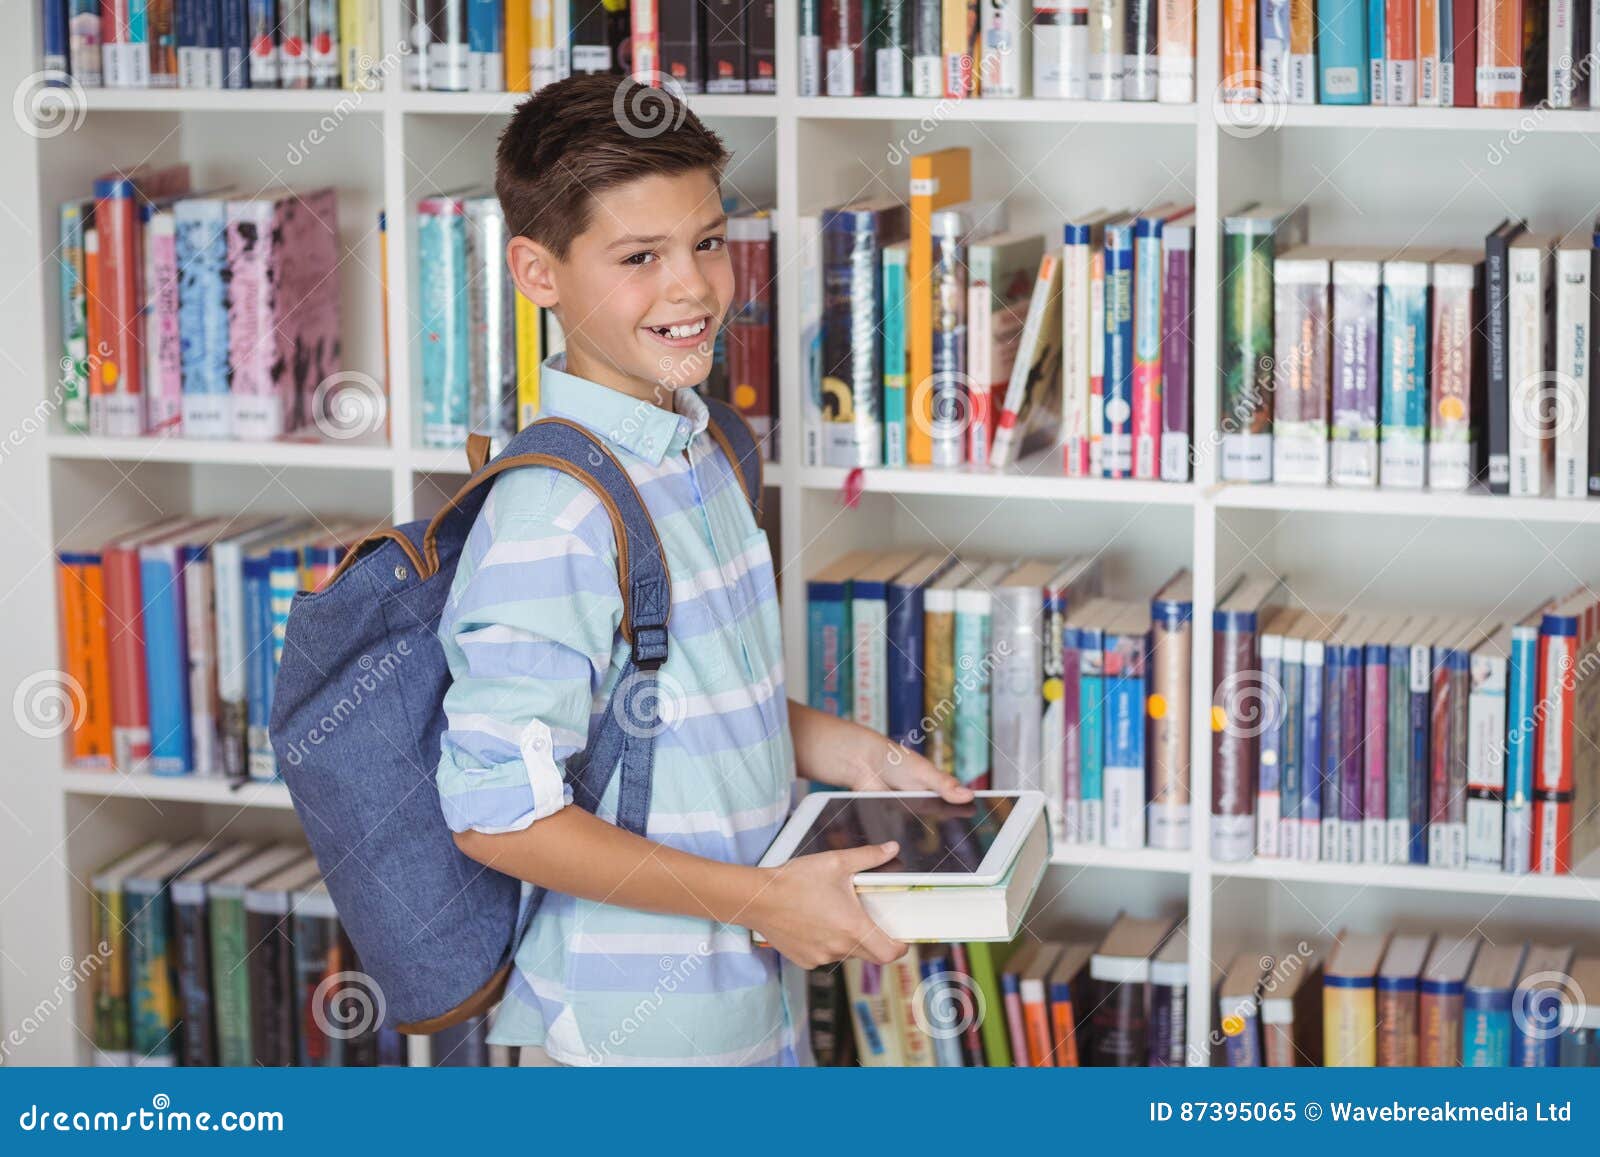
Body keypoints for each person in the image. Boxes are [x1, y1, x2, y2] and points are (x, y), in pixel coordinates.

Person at [434, 73, 972, 1067]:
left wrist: (859, 757)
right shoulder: (552, 513)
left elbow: (690, 690)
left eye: (709, 242)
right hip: (634, 1030)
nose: (692, 287)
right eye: (640, 256)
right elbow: (497, 815)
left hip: (746, 997)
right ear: (537, 271)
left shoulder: (704, 445)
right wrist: (767, 899)